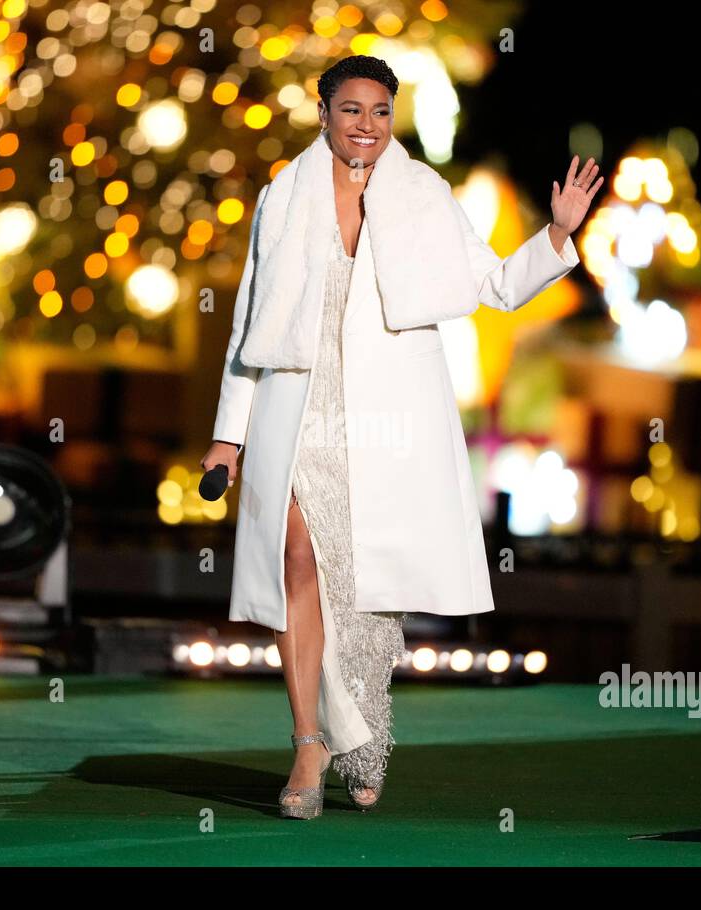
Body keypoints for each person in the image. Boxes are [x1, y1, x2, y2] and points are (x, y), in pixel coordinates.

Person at [200, 55, 601, 819]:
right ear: (323, 113)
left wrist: (557, 233)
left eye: (381, 111)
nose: (367, 125)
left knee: (364, 586)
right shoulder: (283, 195)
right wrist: (229, 435)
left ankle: (364, 729)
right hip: (298, 406)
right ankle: (308, 744)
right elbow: (249, 319)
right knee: (296, 562)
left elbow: (494, 286)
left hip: (387, 422)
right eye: (351, 109)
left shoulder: (423, 194)